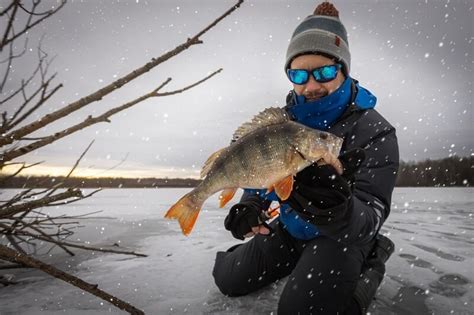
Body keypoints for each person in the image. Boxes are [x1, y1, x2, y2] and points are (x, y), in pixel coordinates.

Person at [212, 2, 399, 314]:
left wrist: (339, 209)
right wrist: (251, 204)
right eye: (299, 74)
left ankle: (373, 260)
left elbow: (371, 216)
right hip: (291, 228)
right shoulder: (281, 123)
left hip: (342, 237)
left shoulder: (375, 131)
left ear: (343, 70)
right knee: (228, 279)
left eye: (324, 71)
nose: (311, 86)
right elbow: (263, 170)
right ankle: (300, 259)